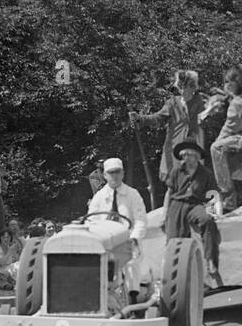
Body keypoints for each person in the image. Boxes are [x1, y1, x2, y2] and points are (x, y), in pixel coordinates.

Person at [87, 157, 151, 293]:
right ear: (105, 175)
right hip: (104, 243)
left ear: (123, 173)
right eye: (111, 173)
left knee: (131, 263)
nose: (114, 176)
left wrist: (134, 239)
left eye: (117, 172)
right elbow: (91, 220)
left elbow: (140, 221)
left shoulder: (133, 194)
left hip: (127, 241)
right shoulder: (99, 197)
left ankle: (132, 298)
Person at [164, 140, 223, 287]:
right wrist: (165, 214)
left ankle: (211, 260)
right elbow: (169, 192)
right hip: (177, 205)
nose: (185, 158)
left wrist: (215, 211)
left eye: (189, 155)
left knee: (207, 220)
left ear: (196, 157)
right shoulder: (177, 171)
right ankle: (176, 274)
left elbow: (212, 193)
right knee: (175, 238)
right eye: (183, 156)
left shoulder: (205, 173)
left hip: (195, 205)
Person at [136, 69, 207, 184]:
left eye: (186, 87)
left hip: (193, 146)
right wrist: (140, 118)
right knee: (173, 180)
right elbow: (157, 118)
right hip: (175, 145)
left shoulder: (199, 102)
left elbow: (208, 116)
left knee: (193, 180)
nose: (182, 90)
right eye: (180, 87)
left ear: (193, 88)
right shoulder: (172, 103)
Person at [210, 66, 242, 212]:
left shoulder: (237, 103)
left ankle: (228, 198)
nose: (226, 85)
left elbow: (228, 129)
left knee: (216, 148)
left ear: (236, 83)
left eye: (228, 81)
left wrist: (218, 140)